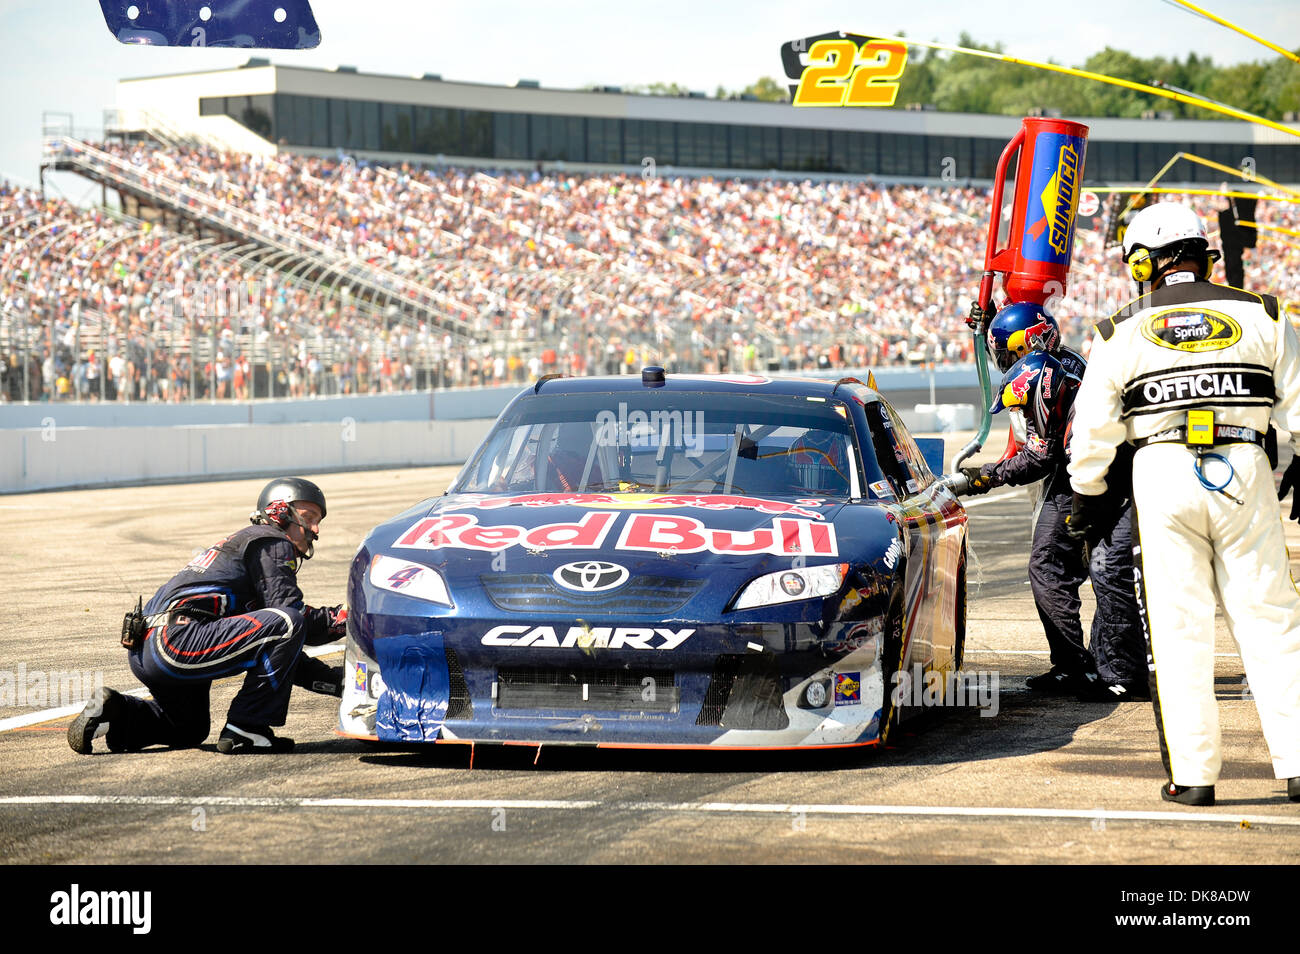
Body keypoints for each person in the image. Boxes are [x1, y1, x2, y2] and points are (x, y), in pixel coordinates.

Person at [1067, 201, 1300, 805]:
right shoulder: (1265, 314)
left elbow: (1092, 435)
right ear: (1204, 251)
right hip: (1246, 469)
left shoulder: (1119, 329)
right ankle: (1297, 762)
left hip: (1162, 471)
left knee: (1178, 630)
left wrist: (1087, 499)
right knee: (1272, 620)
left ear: (1144, 261)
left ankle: (1195, 778)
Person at [68, 478, 345, 756]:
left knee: (187, 728)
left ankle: (115, 711)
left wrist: (336, 682)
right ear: (280, 512)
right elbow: (292, 618)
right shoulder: (270, 540)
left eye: (319, 521)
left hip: (149, 646)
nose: (315, 529)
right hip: (178, 639)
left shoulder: (240, 547)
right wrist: (345, 618)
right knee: (288, 621)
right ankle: (247, 729)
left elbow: (279, 650)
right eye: (309, 518)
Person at [961, 345, 1146, 700]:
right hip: (1106, 485)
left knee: (1110, 570)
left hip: (1127, 488)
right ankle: (1093, 668)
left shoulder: (1082, 424)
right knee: (1093, 568)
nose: (1024, 414)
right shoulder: (1066, 384)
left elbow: (1046, 459)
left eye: (1024, 406)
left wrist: (1081, 511)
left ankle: (1123, 675)